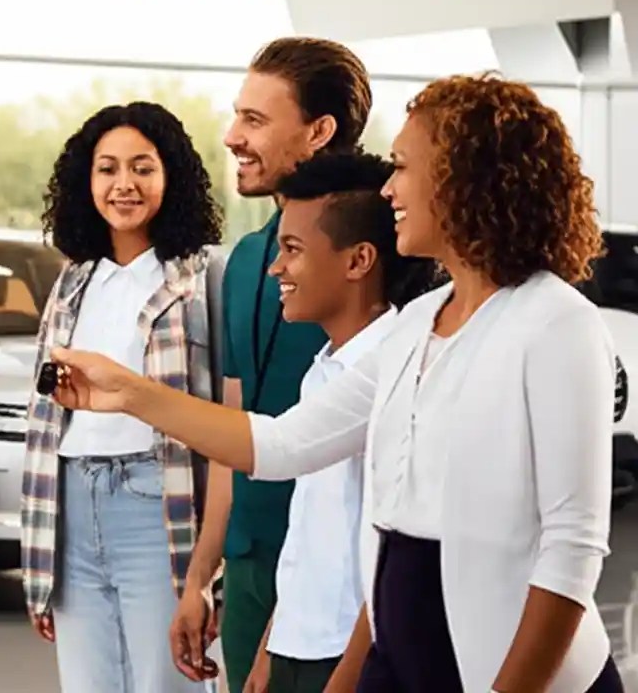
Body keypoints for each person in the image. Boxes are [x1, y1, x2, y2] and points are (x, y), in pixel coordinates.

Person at [46, 73, 626, 692]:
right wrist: (130, 393)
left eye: (403, 167)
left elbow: (571, 548)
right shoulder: (418, 324)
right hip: (405, 663)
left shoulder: (556, 322)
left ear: (465, 177)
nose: (389, 187)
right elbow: (283, 444)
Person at [175, 36, 372, 693]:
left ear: (320, 131)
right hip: (250, 568)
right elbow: (234, 434)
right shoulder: (243, 262)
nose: (232, 136)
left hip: (337, 582)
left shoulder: (372, 267)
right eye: (237, 116)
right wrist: (201, 577)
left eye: (255, 119)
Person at [21, 101, 225, 693]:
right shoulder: (72, 280)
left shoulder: (202, 277)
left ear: (171, 176)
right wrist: (39, 563)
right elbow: (44, 419)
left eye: (143, 167)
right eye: (107, 169)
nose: (123, 184)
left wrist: (209, 577)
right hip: (72, 506)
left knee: (170, 681)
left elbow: (222, 419)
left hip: (156, 504)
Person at [238, 152, 439, 693]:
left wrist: (348, 677)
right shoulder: (323, 370)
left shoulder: (399, 372)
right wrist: (273, 644)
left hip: (347, 660)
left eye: (292, 249)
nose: (275, 268)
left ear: (358, 261)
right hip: (296, 649)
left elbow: (392, 554)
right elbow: (311, 531)